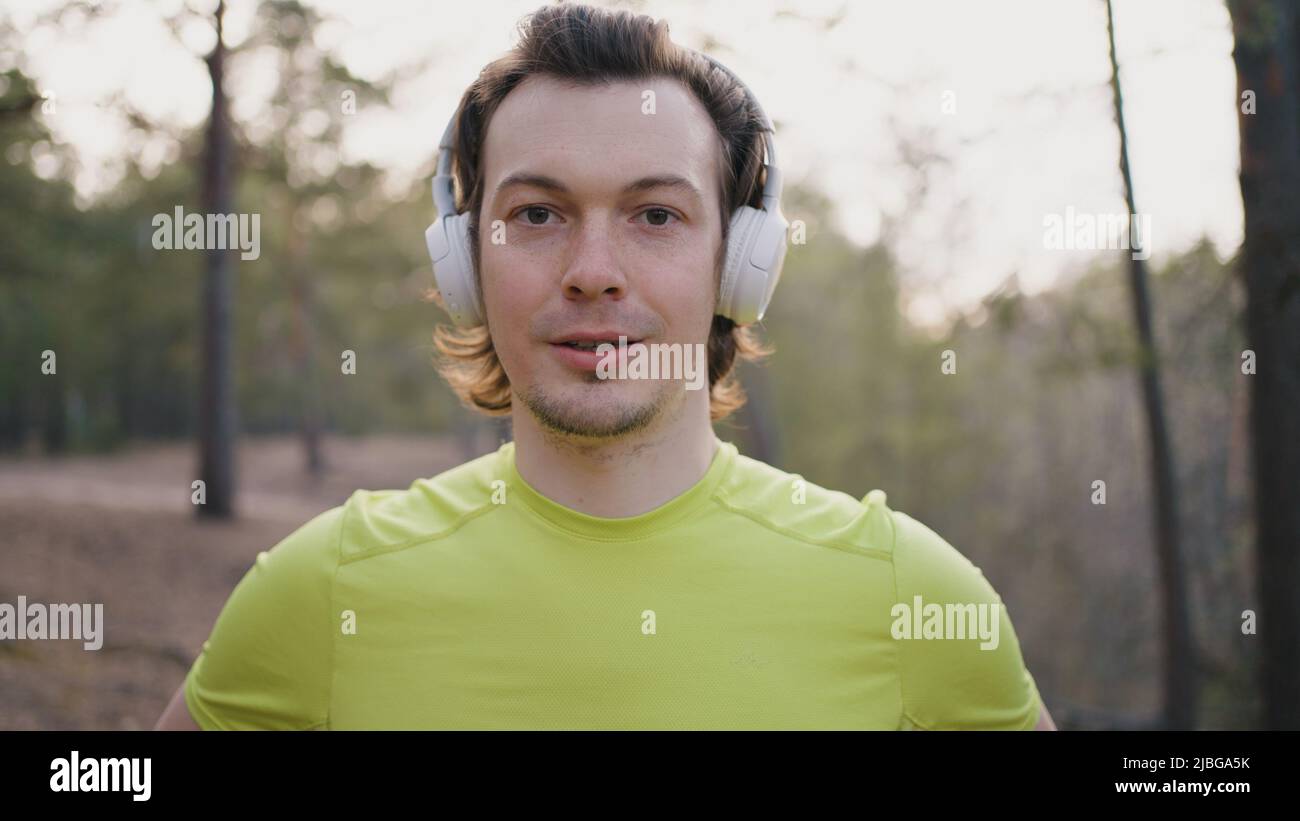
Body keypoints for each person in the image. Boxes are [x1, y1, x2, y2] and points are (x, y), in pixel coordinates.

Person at [156, 2, 1056, 730]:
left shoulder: (916, 601)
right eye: (538, 215)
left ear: (741, 263)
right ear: (465, 264)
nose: (593, 271)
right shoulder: (319, 594)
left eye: (655, 215)